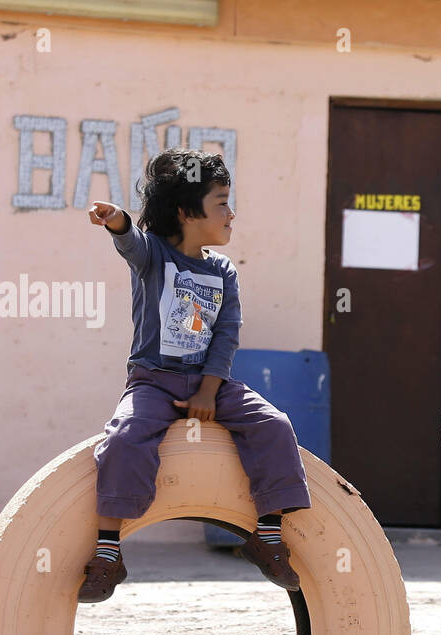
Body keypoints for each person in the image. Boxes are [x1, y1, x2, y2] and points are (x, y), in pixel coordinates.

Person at [79, 148, 310, 602]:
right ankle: (108, 551)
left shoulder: (223, 271)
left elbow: (226, 334)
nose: (231, 213)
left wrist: (209, 389)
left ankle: (266, 534)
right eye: (221, 202)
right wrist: (117, 219)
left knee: (274, 425)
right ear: (187, 212)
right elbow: (130, 241)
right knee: (125, 437)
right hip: (152, 380)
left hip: (211, 384)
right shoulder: (154, 258)